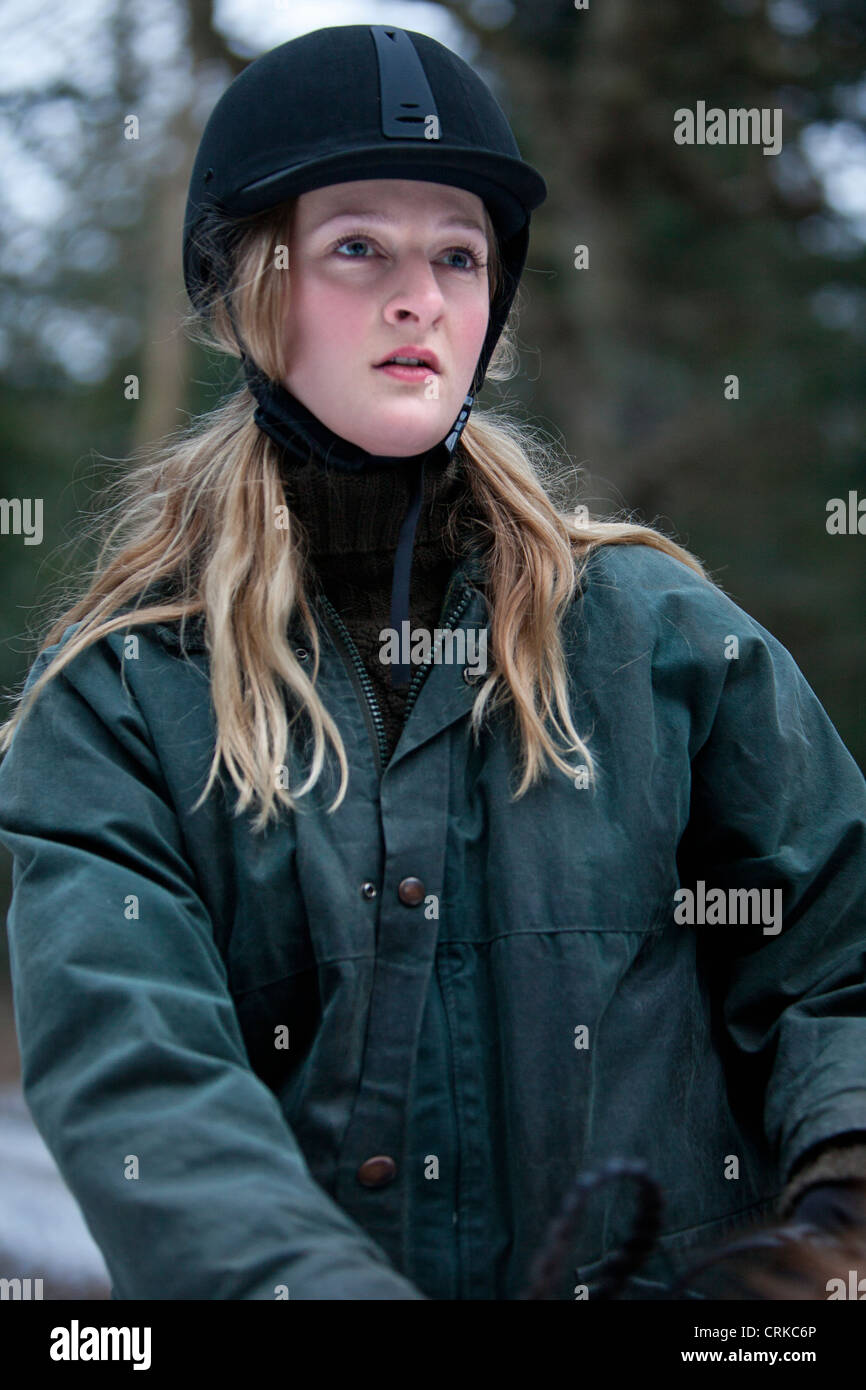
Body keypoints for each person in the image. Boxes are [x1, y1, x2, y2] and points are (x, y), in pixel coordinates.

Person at [0, 22, 865, 1302]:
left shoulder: (662, 637)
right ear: (250, 283)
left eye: (457, 255)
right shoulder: (120, 702)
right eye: (358, 247)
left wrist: (837, 1218)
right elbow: (144, 1081)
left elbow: (834, 956)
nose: (420, 297)